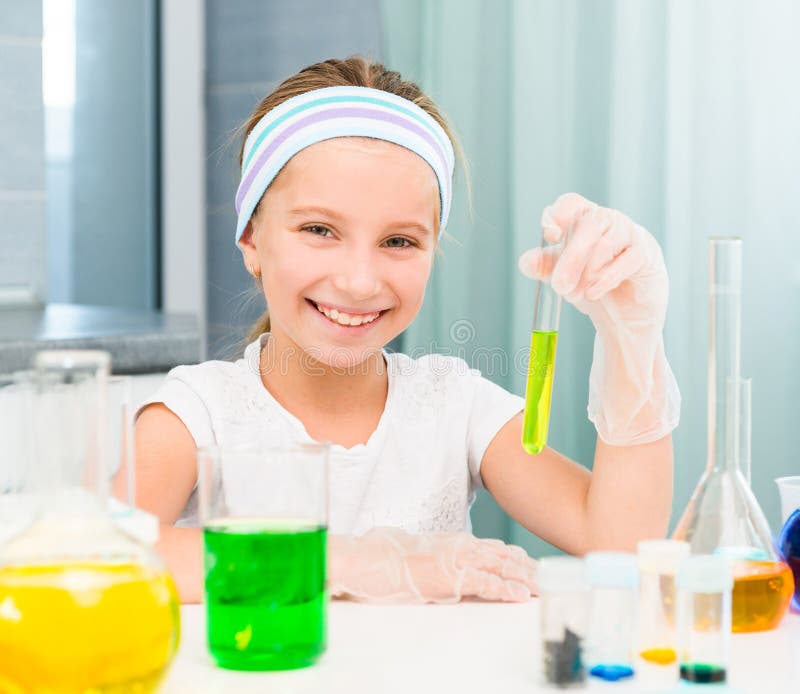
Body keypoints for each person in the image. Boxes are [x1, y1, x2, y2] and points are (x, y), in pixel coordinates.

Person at [121, 56, 680, 604]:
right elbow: (106, 554)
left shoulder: (453, 406)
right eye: (319, 229)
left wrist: (633, 338)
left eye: (399, 242)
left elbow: (622, 546)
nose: (360, 281)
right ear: (251, 241)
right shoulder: (199, 413)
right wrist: (354, 563)